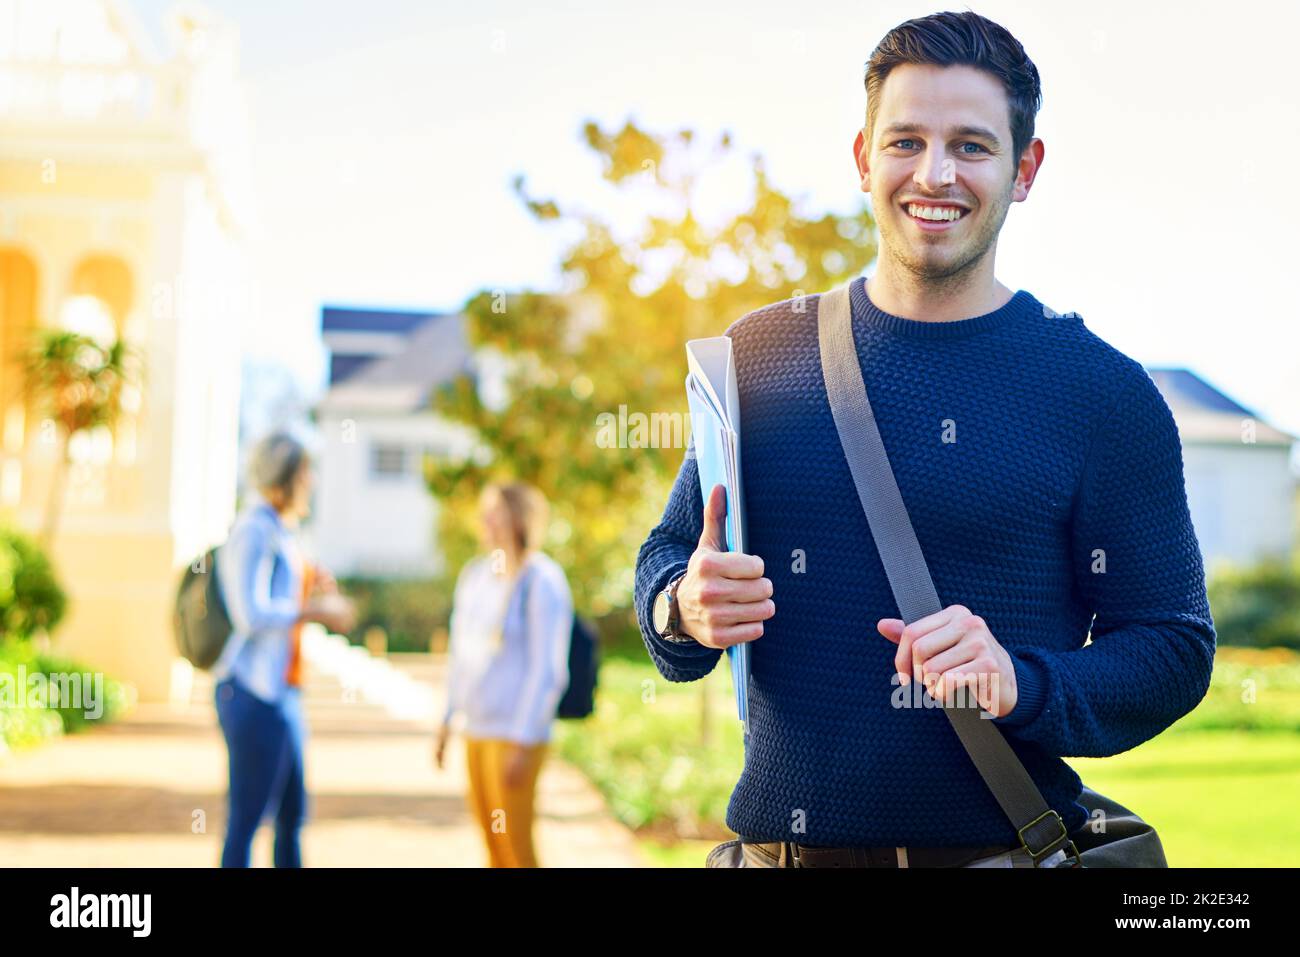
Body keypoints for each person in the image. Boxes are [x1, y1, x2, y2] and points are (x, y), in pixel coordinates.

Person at [634, 10, 1215, 868]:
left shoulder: (1102, 393)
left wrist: (1024, 681)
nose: (933, 173)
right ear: (865, 158)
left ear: (1025, 169)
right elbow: (670, 554)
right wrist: (680, 605)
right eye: (905, 141)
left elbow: (1173, 644)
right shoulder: (760, 353)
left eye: (971, 146)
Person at [211, 430, 356, 867]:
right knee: (247, 822)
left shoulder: (284, 531)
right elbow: (249, 613)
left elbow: (286, 596)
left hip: (283, 692)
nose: (310, 482)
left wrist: (314, 587)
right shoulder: (254, 529)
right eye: (305, 473)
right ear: (285, 477)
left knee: (292, 818)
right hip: (252, 693)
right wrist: (313, 611)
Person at [434, 480, 573, 867]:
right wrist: (448, 718)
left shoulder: (542, 580)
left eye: (495, 511)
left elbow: (548, 670)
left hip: (514, 736)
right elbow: (460, 654)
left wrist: (522, 740)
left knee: (516, 847)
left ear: (518, 518)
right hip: (476, 730)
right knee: (492, 846)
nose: (485, 520)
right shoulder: (475, 576)